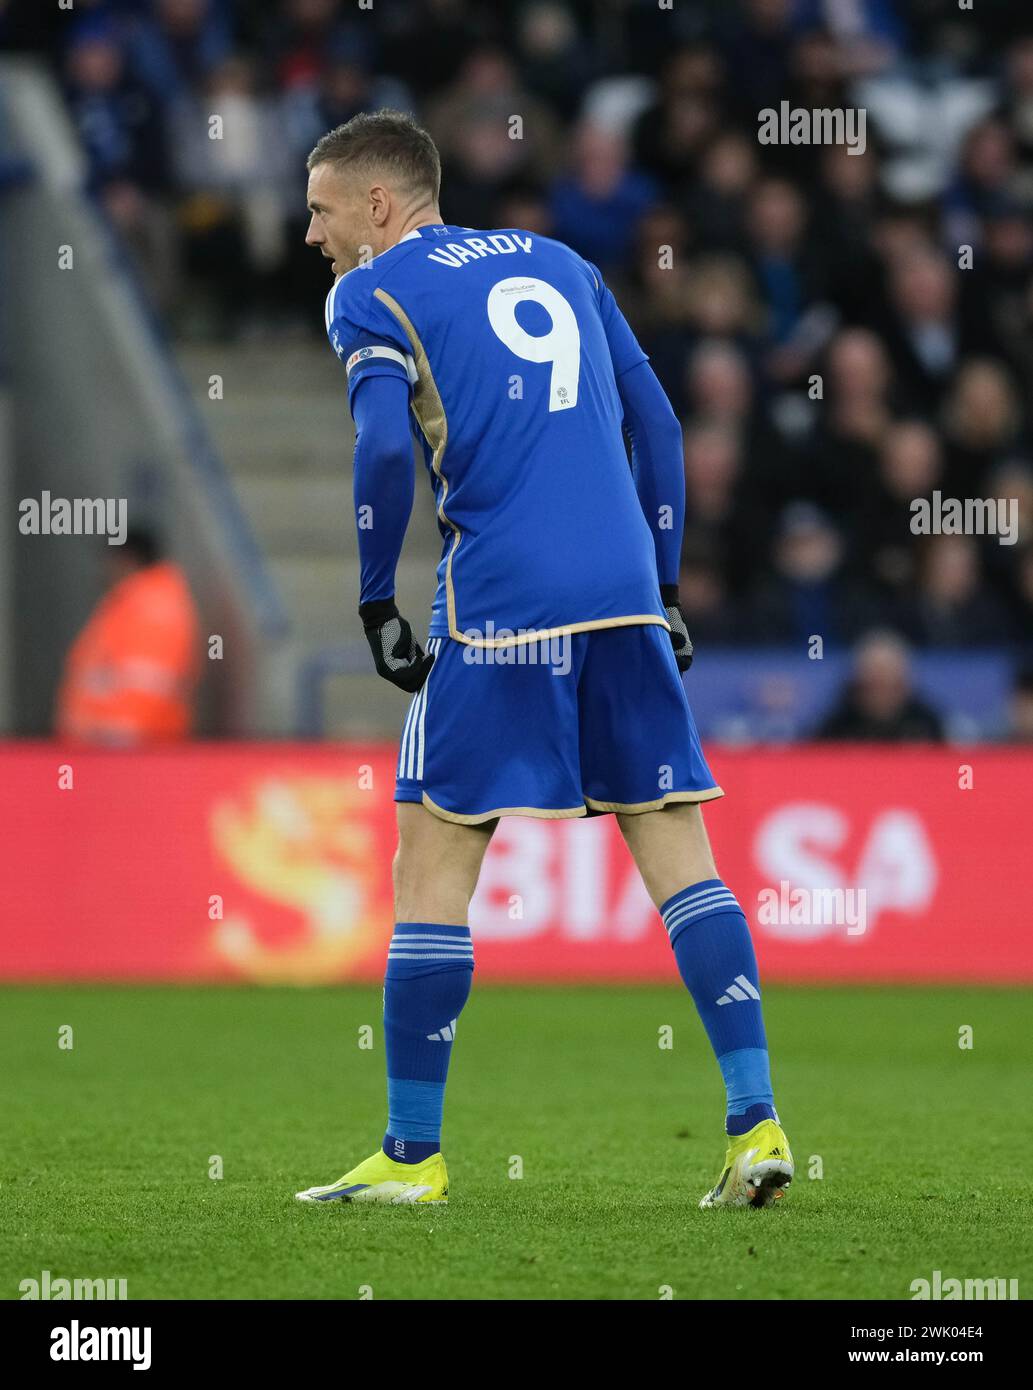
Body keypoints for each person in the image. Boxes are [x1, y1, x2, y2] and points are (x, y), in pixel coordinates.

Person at [296, 110, 792, 1211]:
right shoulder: (561, 261)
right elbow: (656, 423)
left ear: (381, 204)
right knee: (681, 858)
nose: (311, 234)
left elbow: (383, 446)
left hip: (498, 605)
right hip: (621, 596)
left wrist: (377, 598)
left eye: (323, 208)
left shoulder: (369, 293)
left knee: (430, 862)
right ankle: (754, 1122)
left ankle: (411, 1153)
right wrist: (661, 585)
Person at [55, 527, 200, 745]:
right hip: (111, 750)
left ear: (126, 559)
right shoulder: (131, 605)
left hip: (131, 753)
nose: (104, 570)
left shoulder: (153, 609)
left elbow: (146, 685)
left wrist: (120, 745)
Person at [817, 631, 944, 742]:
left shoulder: (927, 726)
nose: (881, 695)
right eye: (874, 685)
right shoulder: (836, 728)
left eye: (890, 686)